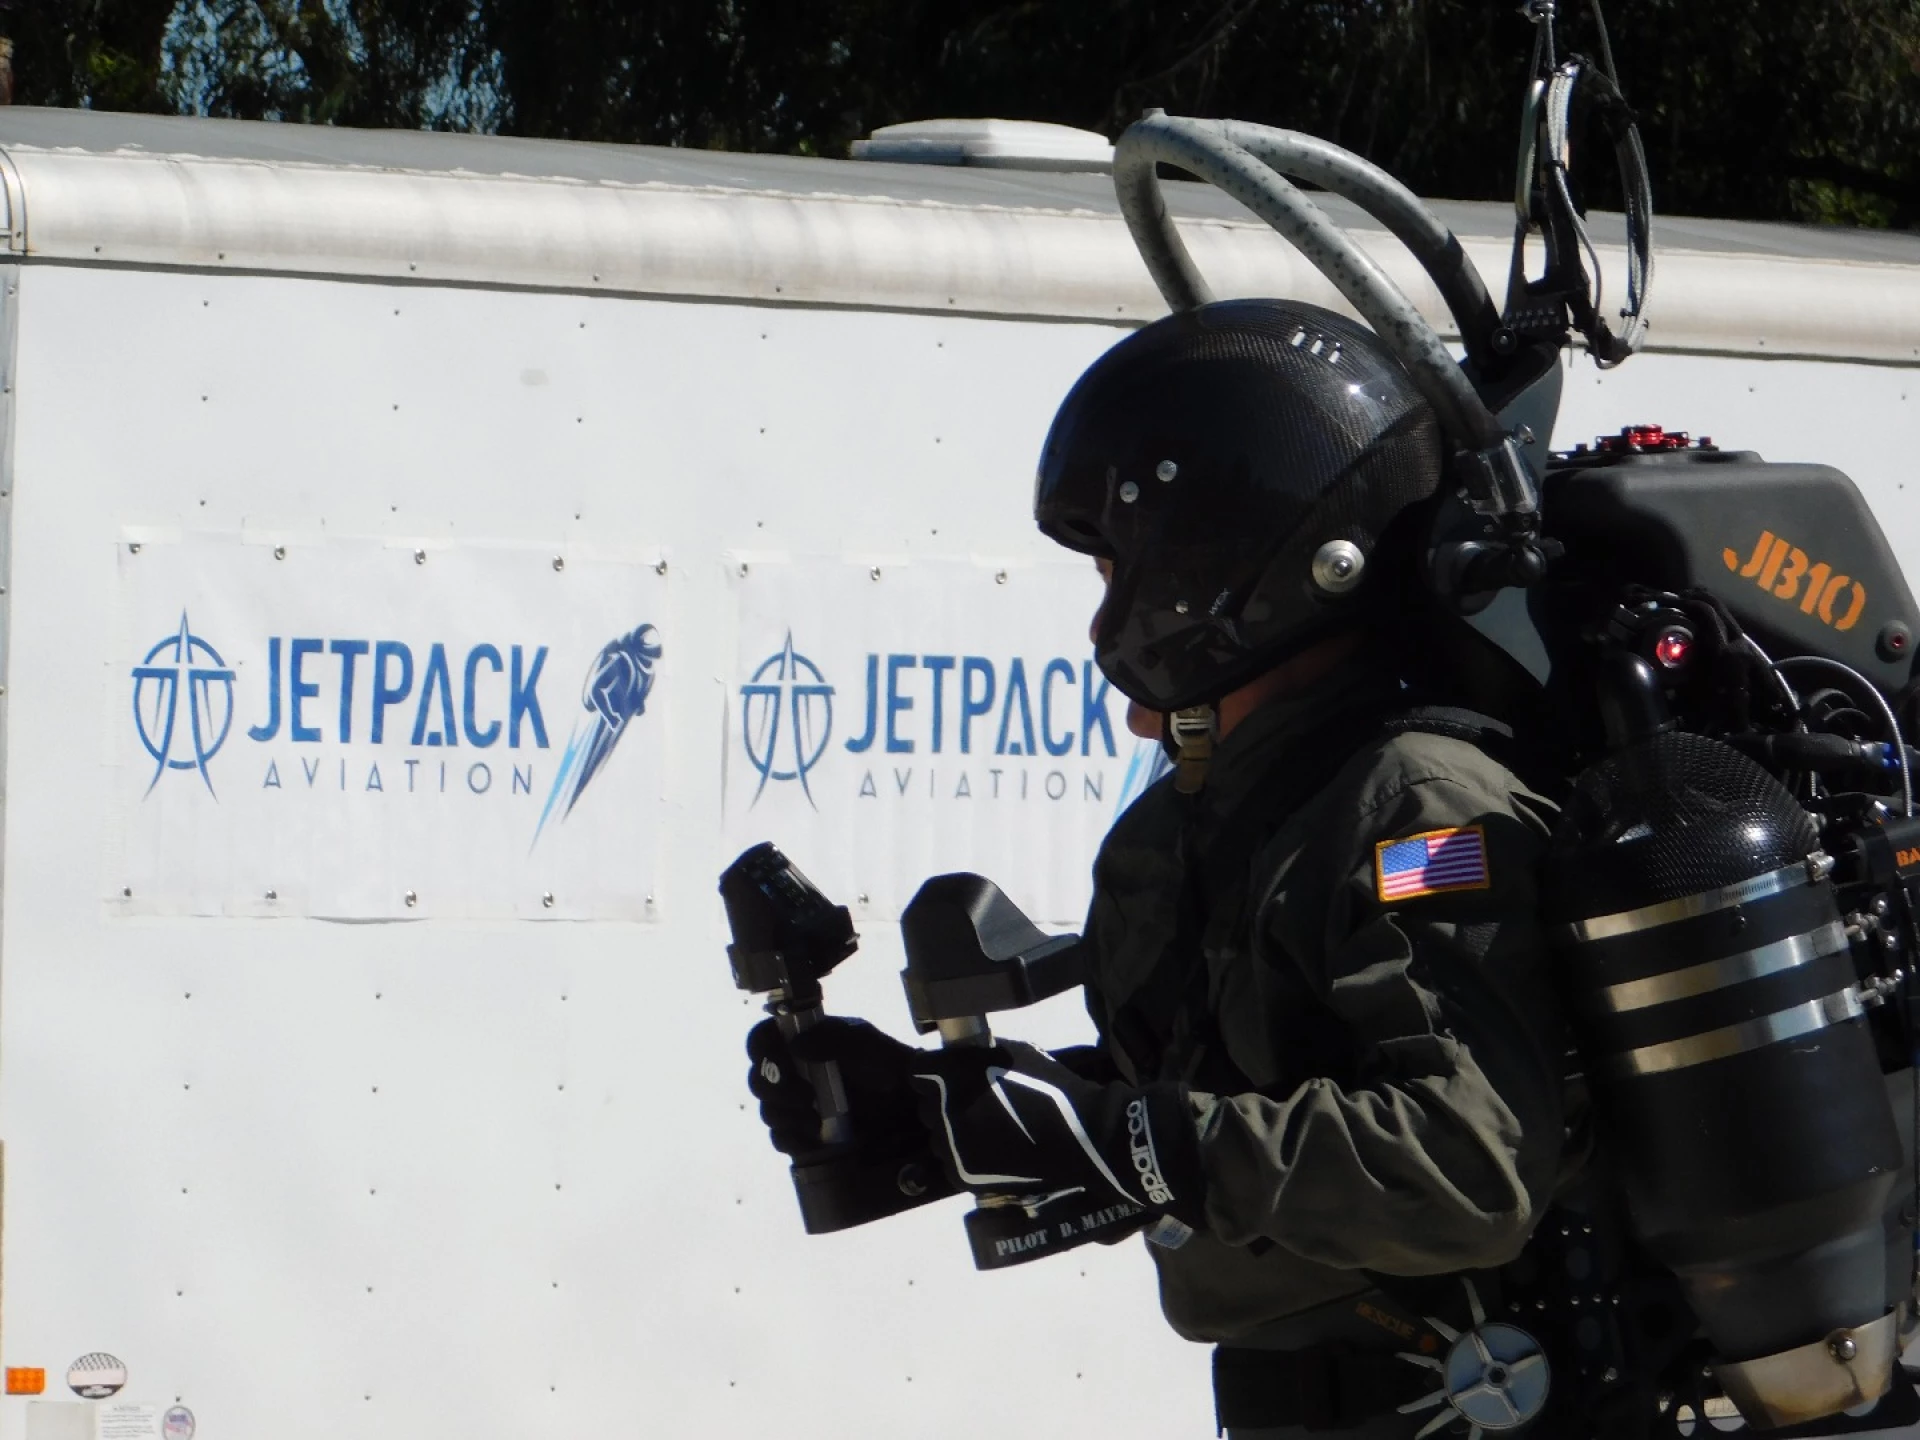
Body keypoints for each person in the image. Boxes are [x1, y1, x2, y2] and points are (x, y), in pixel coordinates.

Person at [747, 298, 1573, 1439]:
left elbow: (1468, 1163)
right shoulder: (1200, 817)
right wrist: (935, 1118)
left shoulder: (1416, 806)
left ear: (1223, 562)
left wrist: (1127, 1142)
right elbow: (1214, 1103)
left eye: (1114, 567)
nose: (1103, 618)